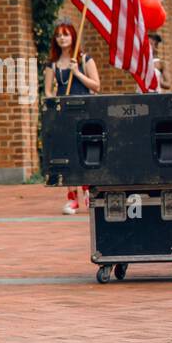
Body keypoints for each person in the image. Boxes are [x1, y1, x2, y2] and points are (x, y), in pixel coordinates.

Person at [43, 21, 100, 214]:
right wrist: (56, 105)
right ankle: (72, 198)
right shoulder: (53, 64)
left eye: (66, 34)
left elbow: (96, 86)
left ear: (73, 36)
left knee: (85, 152)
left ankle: (88, 191)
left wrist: (77, 73)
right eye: (58, 35)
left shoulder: (84, 60)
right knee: (68, 154)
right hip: (65, 115)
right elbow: (49, 92)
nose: (62, 38)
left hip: (85, 114)